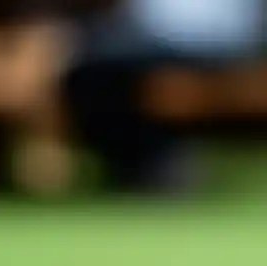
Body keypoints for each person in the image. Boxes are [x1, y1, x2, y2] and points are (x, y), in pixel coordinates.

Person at [62, 0, 266, 191]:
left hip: (225, 54)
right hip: (140, 49)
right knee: (97, 76)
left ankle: (160, 162)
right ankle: (143, 165)